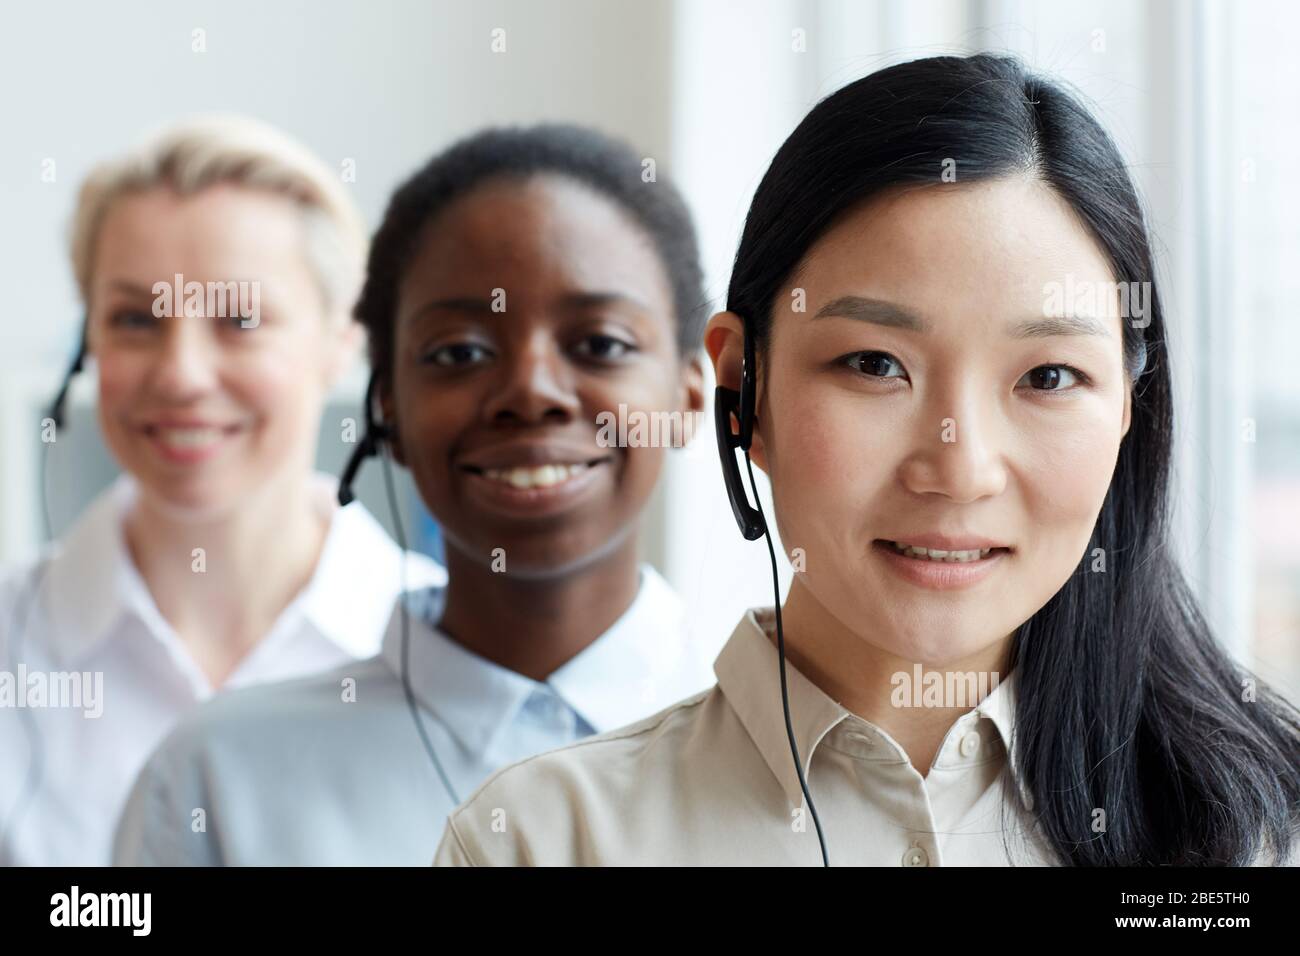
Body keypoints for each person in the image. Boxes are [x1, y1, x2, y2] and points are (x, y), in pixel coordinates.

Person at [433, 54, 1300, 867]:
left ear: (1126, 407)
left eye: (1048, 375)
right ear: (743, 389)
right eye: (876, 365)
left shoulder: (1262, 832)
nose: (960, 470)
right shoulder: (547, 841)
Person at [112, 123, 716, 865]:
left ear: (690, 395)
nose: (530, 391)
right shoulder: (216, 777)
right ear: (386, 408)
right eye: (459, 352)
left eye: (601, 344)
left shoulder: (804, 750)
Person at [0, 115, 445, 866]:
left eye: (239, 318)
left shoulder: (445, 650)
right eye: (136, 318)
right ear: (90, 346)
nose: (180, 374)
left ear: (344, 342)